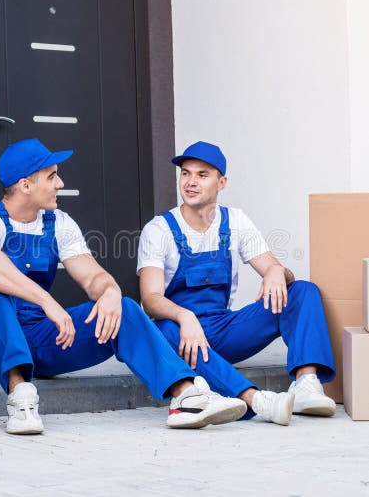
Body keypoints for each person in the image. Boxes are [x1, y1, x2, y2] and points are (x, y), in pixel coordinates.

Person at [0, 138, 247, 434]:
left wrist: (110, 292)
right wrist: (47, 302)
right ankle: (20, 396)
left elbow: (93, 277)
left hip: (37, 338)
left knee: (125, 308)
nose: (60, 183)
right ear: (25, 185)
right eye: (52, 176)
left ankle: (185, 395)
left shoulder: (60, 223)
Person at [137, 141, 337, 421]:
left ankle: (306, 384)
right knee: (160, 330)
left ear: (222, 183)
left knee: (302, 291)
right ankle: (255, 399)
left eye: (202, 175)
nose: (190, 182)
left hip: (223, 330)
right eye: (186, 173)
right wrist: (184, 317)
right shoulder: (159, 230)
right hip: (181, 337)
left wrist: (277, 271)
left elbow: (273, 268)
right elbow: (150, 299)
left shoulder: (235, 222)